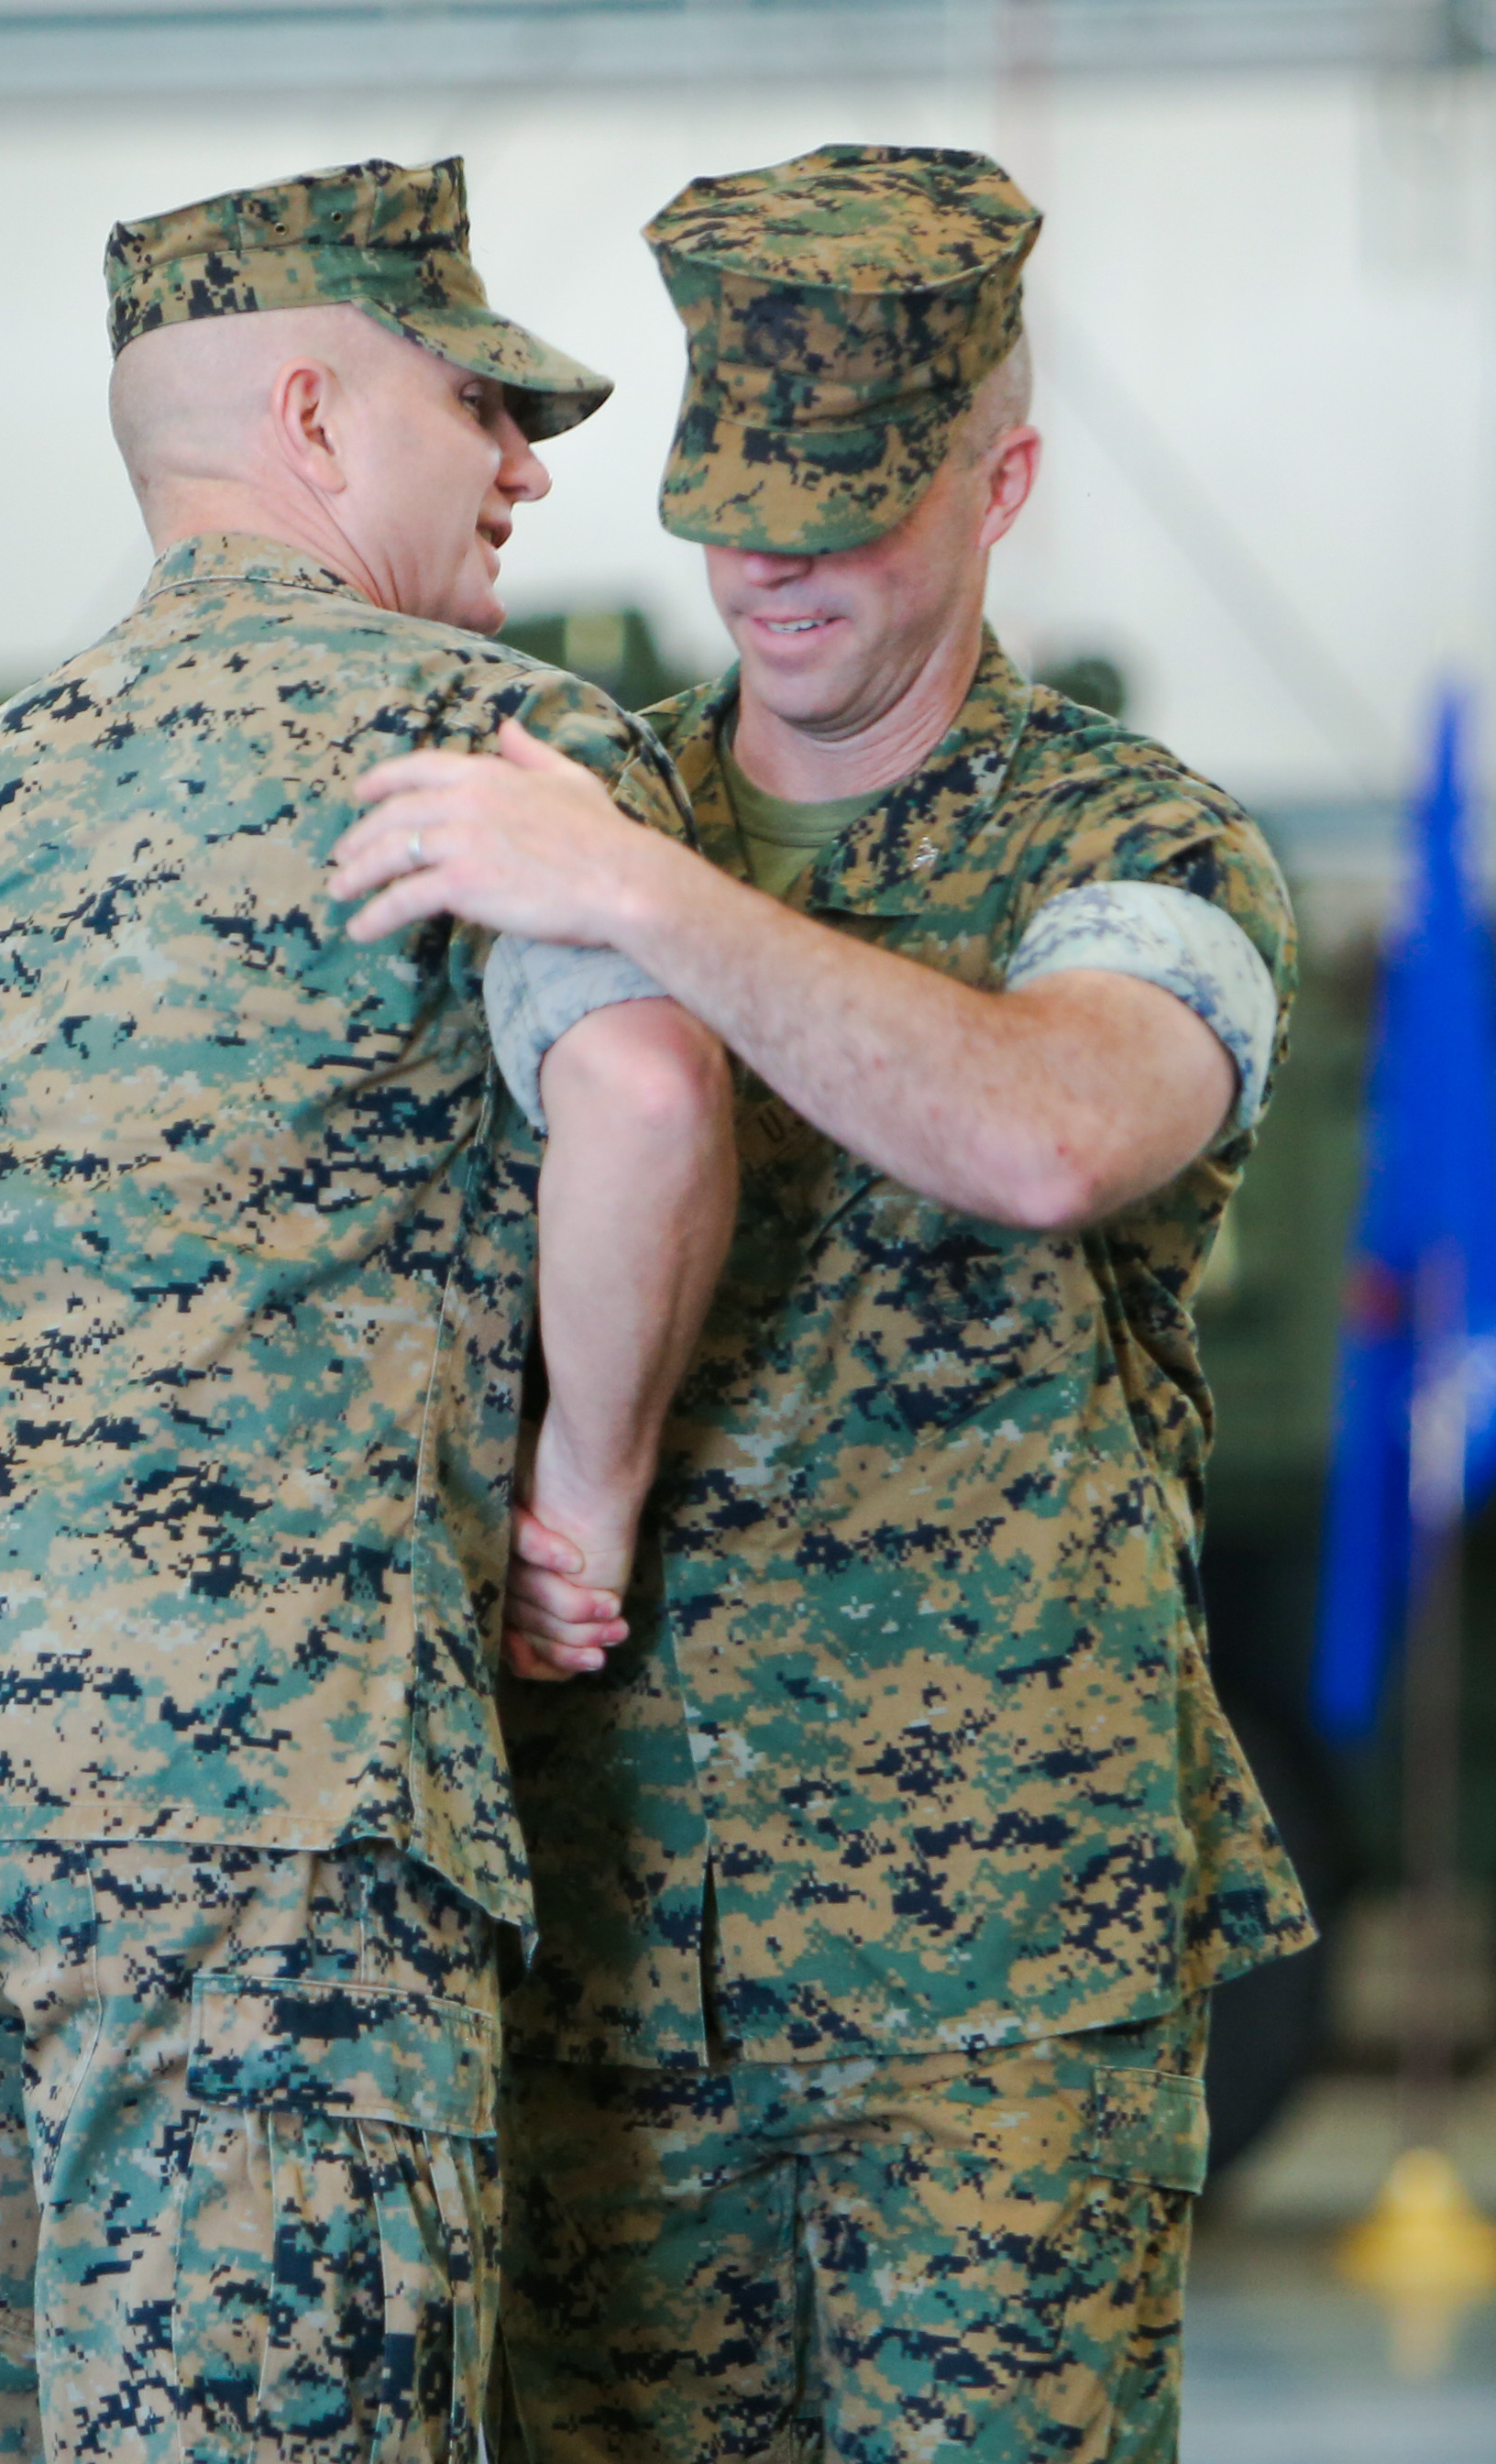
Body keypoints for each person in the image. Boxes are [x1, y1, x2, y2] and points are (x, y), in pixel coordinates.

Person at [0, 156, 734, 2464]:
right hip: (246, 1802)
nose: (530, 462)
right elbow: (653, 1097)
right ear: (309, 409)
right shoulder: (487, 740)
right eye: (478, 404)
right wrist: (585, 1494)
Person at [331, 145, 1314, 2464]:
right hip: (604, 1959)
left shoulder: (1140, 851)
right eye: (729, 501)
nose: (768, 566)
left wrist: (654, 911)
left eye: (843, 508)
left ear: (1006, 482)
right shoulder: (575, 808)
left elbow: (1055, 1130)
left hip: (995, 2001)